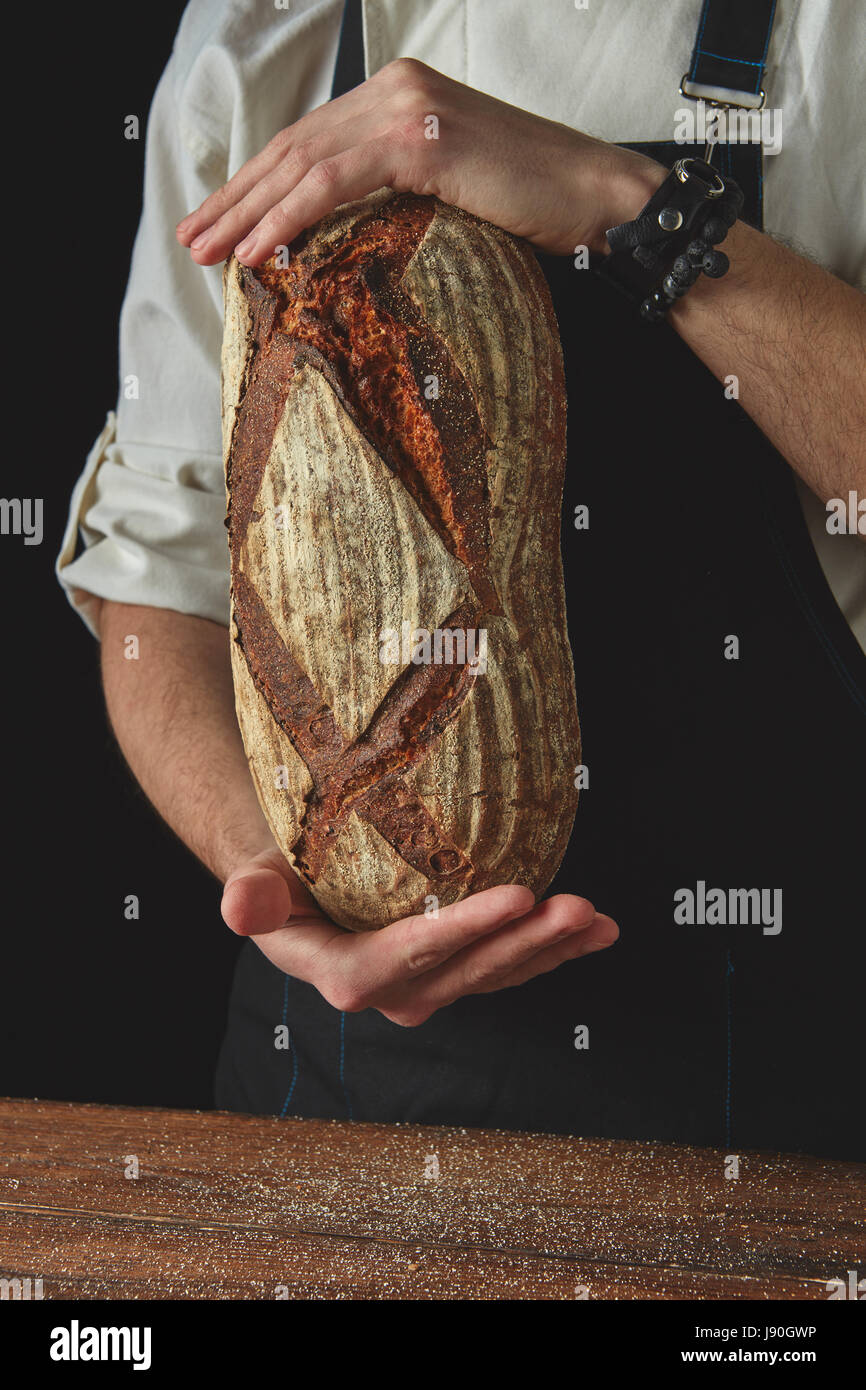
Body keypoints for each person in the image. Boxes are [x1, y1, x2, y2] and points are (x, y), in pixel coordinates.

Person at [57, 0, 866, 1156]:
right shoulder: (260, 35)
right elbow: (161, 573)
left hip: (787, 1076)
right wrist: (266, 872)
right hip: (339, 1077)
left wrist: (620, 202)